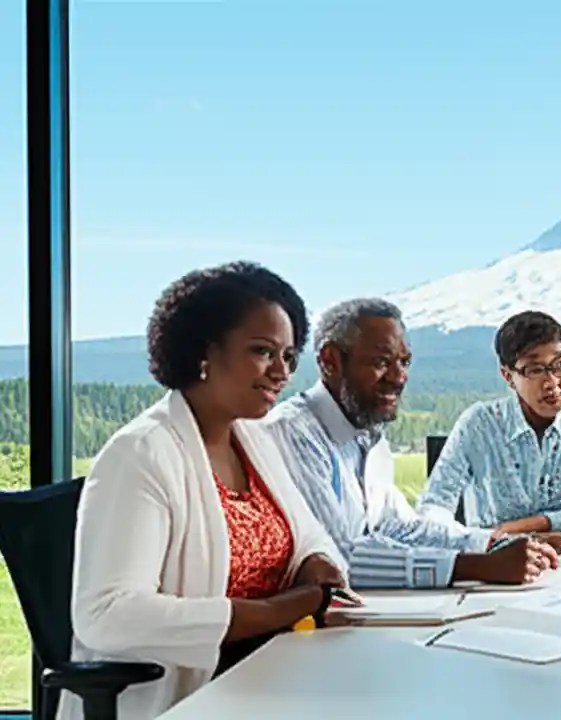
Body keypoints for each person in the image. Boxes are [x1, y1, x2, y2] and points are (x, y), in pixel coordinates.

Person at [65, 263, 350, 720]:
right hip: (188, 698)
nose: (281, 372)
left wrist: (316, 564)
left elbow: (311, 538)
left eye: (289, 357)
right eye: (263, 351)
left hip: (272, 675)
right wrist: (283, 608)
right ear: (203, 351)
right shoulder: (141, 453)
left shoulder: (253, 439)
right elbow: (108, 615)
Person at [265, 299, 561, 591]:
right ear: (330, 361)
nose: (398, 378)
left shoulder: (368, 436)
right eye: (382, 362)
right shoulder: (294, 433)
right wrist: (473, 566)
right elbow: (336, 557)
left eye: (404, 362)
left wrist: (496, 543)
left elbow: (401, 527)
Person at [418, 311, 561, 534]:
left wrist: (539, 524)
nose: (552, 382)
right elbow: (432, 507)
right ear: (507, 376)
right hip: (496, 557)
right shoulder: (479, 424)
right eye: (535, 370)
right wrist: (482, 539)